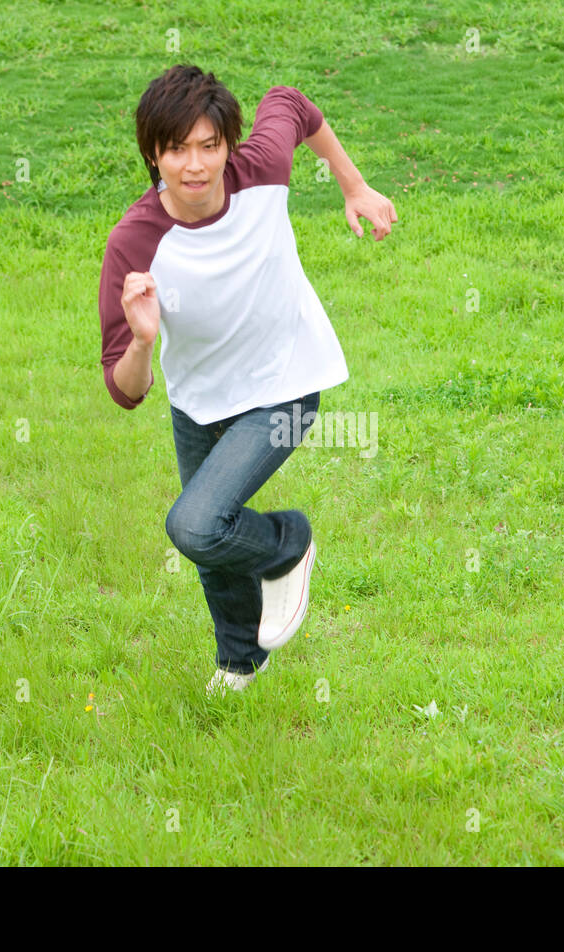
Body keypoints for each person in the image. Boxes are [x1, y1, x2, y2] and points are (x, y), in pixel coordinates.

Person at [99, 65, 397, 695]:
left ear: (229, 145)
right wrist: (145, 340)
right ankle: (239, 661)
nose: (196, 165)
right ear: (153, 155)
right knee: (211, 540)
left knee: (195, 525)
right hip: (199, 400)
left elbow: (289, 100)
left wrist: (355, 186)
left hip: (286, 380)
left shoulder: (261, 169)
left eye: (210, 145)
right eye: (177, 149)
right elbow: (125, 390)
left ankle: (290, 542)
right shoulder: (134, 242)